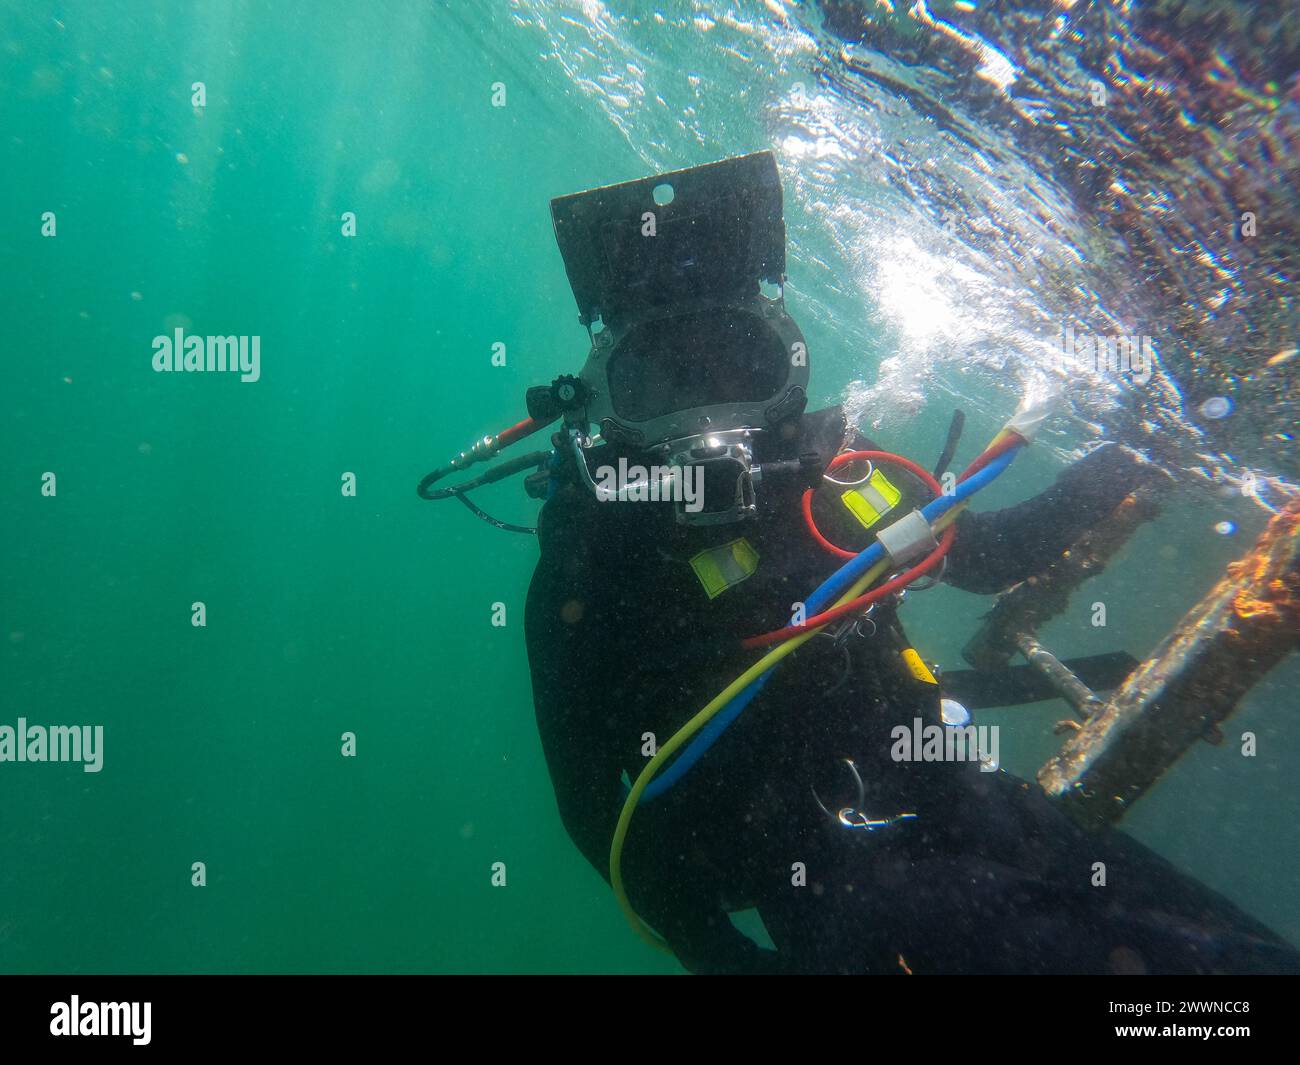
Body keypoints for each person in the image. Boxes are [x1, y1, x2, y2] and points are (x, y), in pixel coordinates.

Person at [520, 152, 1299, 974]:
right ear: (609, 408)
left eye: (740, 366)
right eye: (663, 382)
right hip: (816, 882)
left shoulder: (833, 484)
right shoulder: (589, 564)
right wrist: (723, 954)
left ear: (787, 373)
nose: (714, 421)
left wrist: (1134, 448)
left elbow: (994, 552)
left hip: (950, 789)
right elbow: (588, 810)